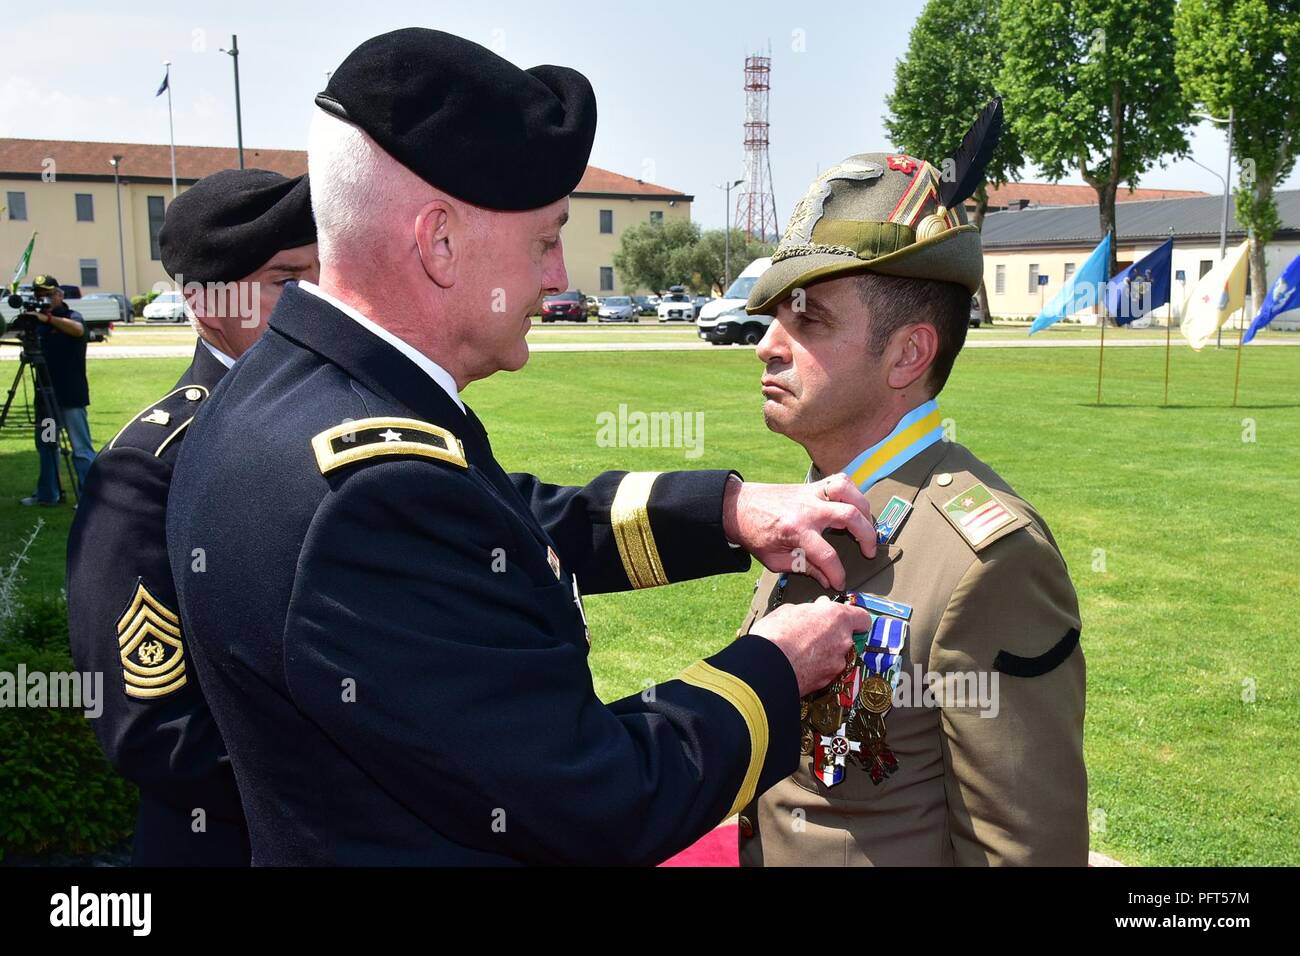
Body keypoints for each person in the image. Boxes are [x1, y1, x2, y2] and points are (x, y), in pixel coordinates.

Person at [166, 27, 877, 866]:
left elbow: (507, 526)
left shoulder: (276, 401)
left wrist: (724, 511)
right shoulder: (375, 493)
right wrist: (773, 666)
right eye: (544, 241)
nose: (558, 278)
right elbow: (600, 800)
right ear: (437, 242)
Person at [733, 137, 1088, 865]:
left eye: (809, 320)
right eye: (775, 316)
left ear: (907, 355)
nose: (767, 344)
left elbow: (1024, 850)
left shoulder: (987, 561)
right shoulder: (817, 506)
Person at [65, 169, 317, 866]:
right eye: (286, 282)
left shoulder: (348, 423)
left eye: (328, 277)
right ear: (205, 301)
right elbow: (153, 728)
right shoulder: (149, 470)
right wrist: (353, 802)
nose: (318, 303)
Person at [20, 275, 94, 506]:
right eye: (39, 294)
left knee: (80, 448)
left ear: (60, 295)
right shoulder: (36, 323)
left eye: (48, 294)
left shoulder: (70, 316)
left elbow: (78, 330)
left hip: (70, 396)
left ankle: (88, 498)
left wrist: (48, 318)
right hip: (45, 398)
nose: (43, 298)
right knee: (48, 445)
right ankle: (48, 494)